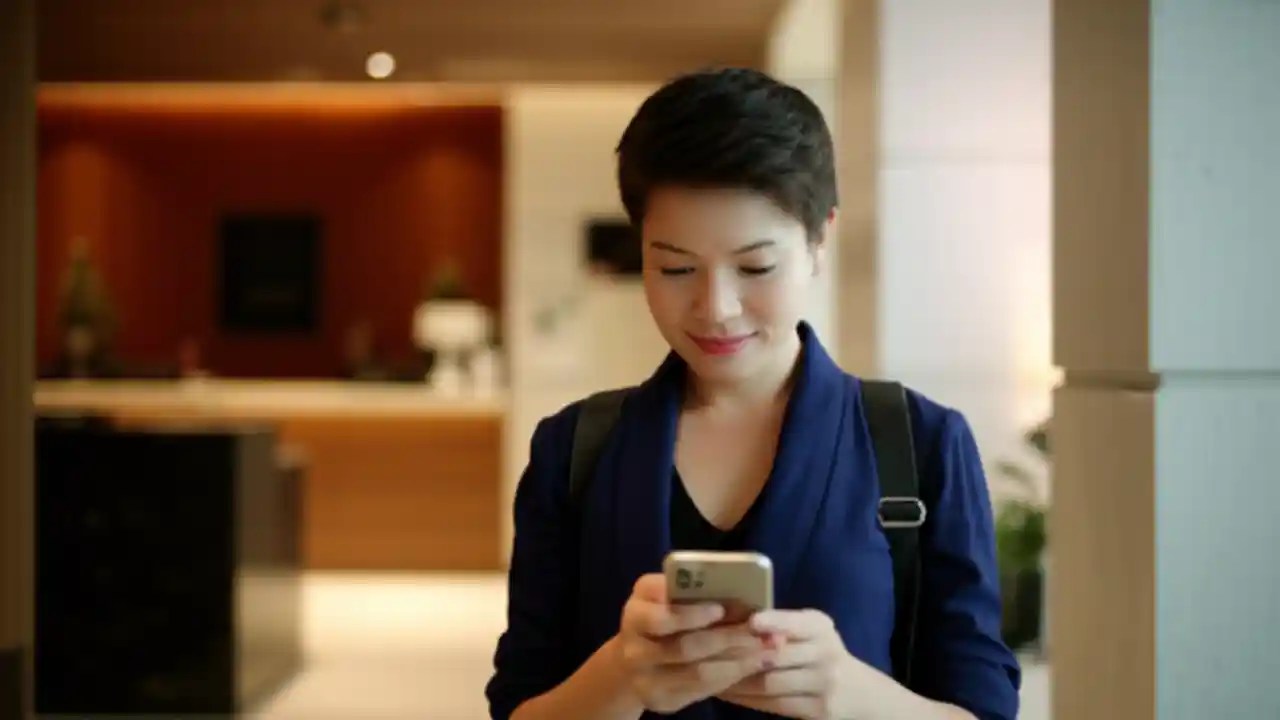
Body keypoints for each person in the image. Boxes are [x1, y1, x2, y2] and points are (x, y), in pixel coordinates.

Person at [485, 67, 1021, 720]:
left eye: (755, 266)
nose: (717, 307)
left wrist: (849, 695)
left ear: (819, 240)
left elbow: (984, 708)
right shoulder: (574, 450)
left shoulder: (920, 444)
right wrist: (621, 675)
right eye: (676, 267)